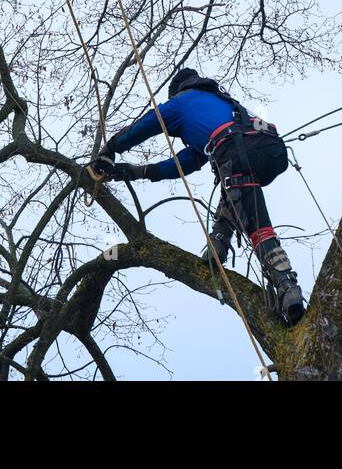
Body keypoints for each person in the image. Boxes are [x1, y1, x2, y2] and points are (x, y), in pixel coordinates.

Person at [90, 66, 305, 326]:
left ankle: (286, 284)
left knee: (256, 224)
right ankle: (219, 243)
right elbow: (185, 163)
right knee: (236, 195)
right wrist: (138, 172)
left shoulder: (181, 102)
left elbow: (148, 123)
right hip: (269, 150)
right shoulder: (221, 104)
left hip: (237, 153)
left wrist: (111, 148)